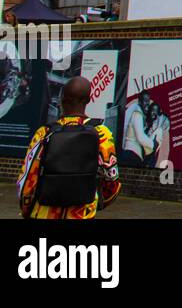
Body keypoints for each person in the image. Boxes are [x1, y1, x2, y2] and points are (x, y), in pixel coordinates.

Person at [17, 77, 121, 219]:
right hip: (82, 214)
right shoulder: (101, 134)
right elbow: (112, 182)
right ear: (88, 100)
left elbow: (28, 180)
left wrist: (26, 210)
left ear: (62, 99)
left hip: (43, 214)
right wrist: (95, 203)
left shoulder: (44, 133)